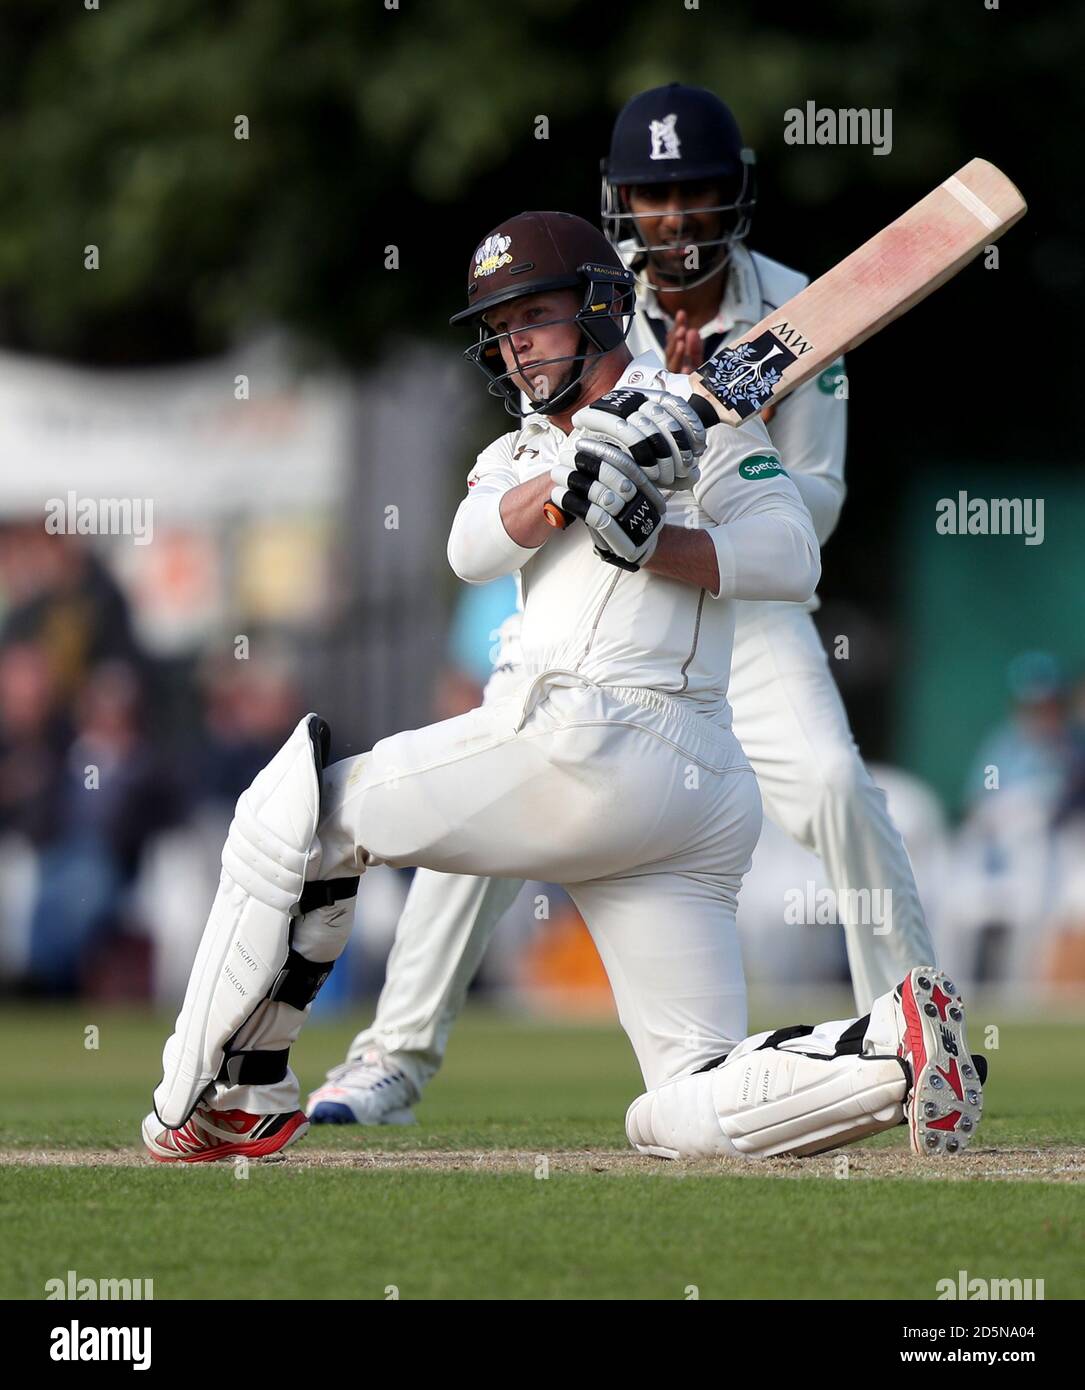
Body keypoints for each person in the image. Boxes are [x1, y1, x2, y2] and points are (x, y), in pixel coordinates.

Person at [143, 208, 981, 1165]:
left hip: (605, 738)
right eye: (498, 330)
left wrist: (657, 538)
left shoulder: (704, 425)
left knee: (295, 810)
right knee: (676, 1102)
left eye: (531, 318)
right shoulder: (519, 451)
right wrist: (571, 482)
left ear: (599, 308)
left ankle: (212, 1096)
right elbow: (467, 549)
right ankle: (886, 1054)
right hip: (679, 803)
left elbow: (791, 559)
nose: (514, 348)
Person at [307, 84, 936, 1127]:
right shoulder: (589, 295)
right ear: (621, 207)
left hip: (732, 591)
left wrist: (728, 444)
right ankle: (391, 1058)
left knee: (830, 782)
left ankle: (914, 1033)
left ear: (729, 195)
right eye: (653, 197)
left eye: (693, 193)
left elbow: (812, 507)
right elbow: (530, 462)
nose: (675, 218)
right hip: (593, 612)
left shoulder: (798, 308)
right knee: (489, 778)